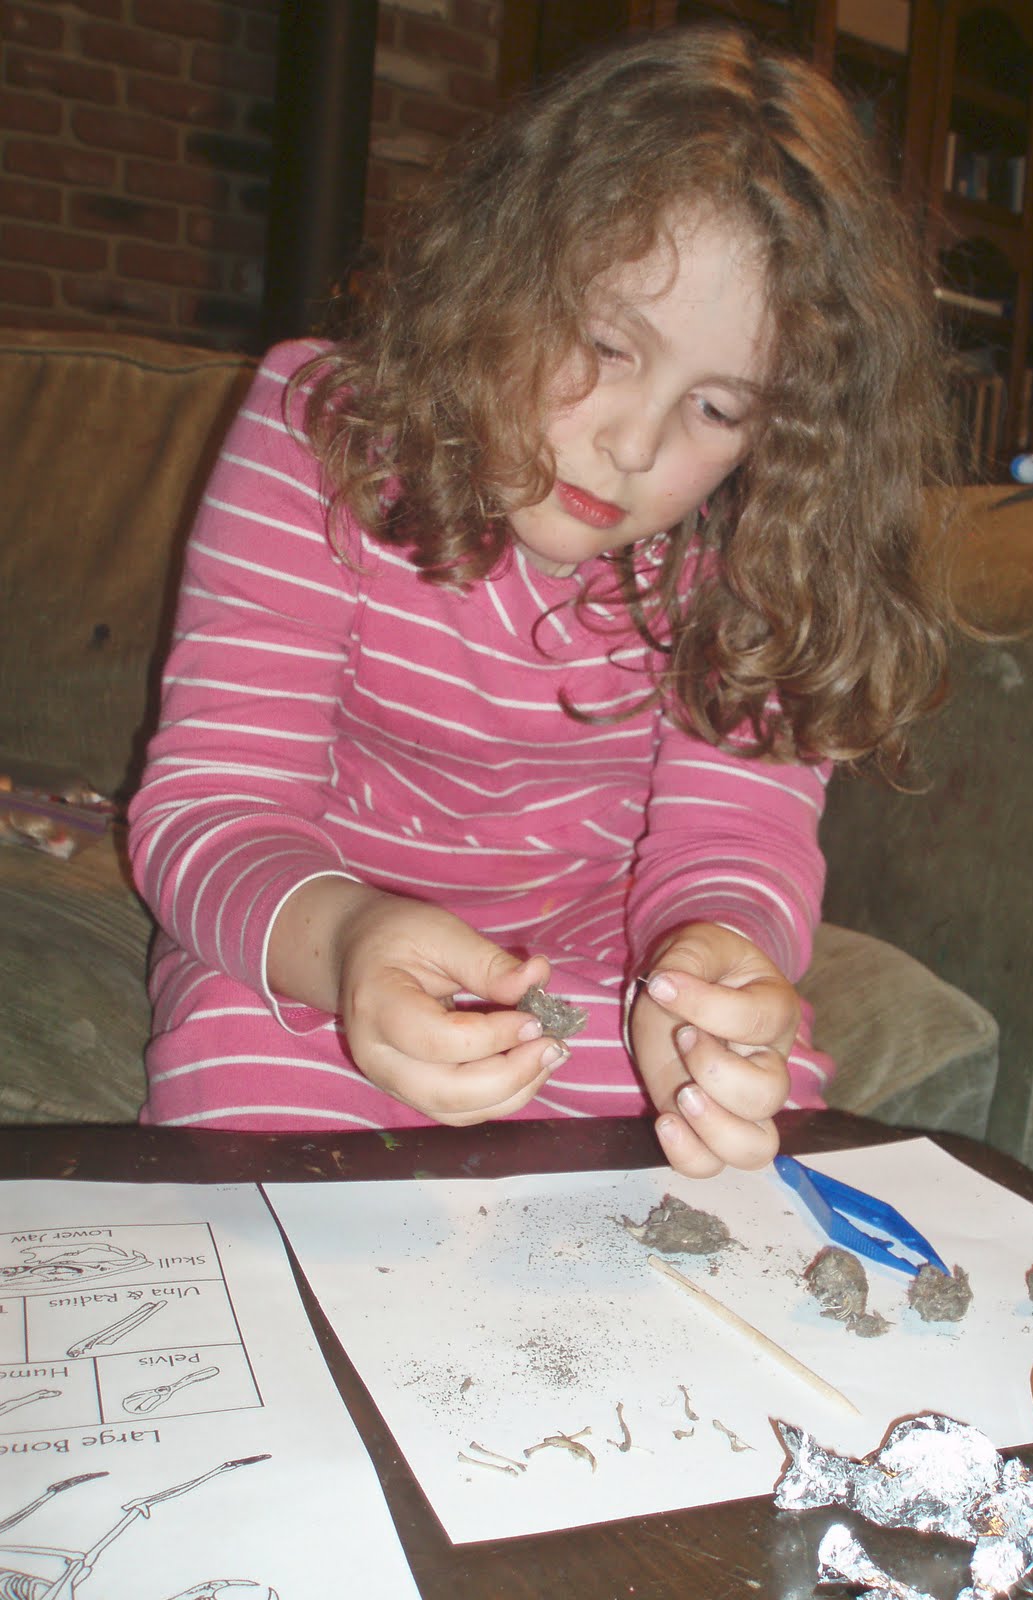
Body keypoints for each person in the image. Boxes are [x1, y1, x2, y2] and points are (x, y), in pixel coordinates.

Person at [128, 24, 954, 1175]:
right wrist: (352, 938)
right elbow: (214, 807)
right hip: (315, 940)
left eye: (716, 409)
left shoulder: (759, 560)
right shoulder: (321, 438)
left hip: (596, 973)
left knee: (743, 1124)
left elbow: (735, 838)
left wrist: (710, 962)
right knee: (233, 1072)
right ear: (510, 269)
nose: (631, 441)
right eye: (608, 343)